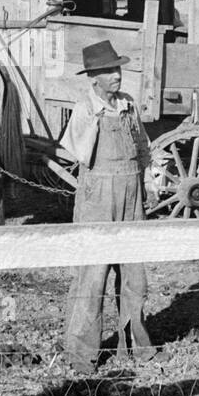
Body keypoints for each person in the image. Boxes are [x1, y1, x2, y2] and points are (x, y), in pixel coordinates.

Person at [57, 39, 157, 373]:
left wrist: (149, 182)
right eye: (108, 72)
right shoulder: (85, 107)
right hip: (97, 195)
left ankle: (136, 346)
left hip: (131, 195)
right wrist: (98, 119)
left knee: (134, 274)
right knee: (93, 274)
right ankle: (82, 353)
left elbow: (143, 149)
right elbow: (79, 153)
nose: (116, 76)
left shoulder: (129, 105)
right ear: (94, 78)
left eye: (117, 69)